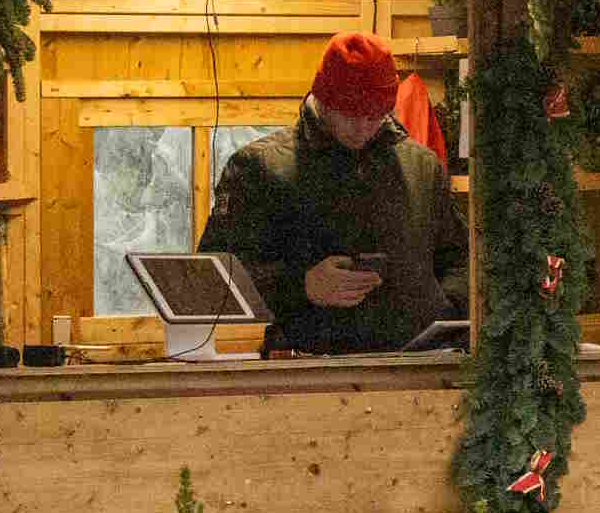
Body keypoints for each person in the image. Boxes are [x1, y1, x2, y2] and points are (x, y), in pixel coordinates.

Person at [200, 32, 468, 355]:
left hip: (411, 372)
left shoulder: (422, 168)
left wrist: (437, 309)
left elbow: (461, 259)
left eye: (375, 115)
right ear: (323, 100)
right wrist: (302, 286)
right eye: (351, 114)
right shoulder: (259, 169)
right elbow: (213, 276)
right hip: (307, 378)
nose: (364, 127)